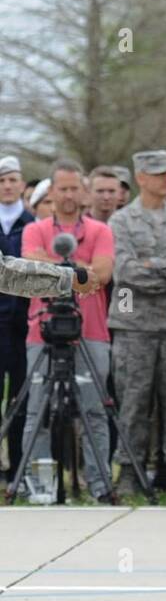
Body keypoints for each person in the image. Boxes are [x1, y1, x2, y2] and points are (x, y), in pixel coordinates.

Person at [22, 159, 115, 501]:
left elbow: (102, 274)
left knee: (94, 410)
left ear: (84, 191)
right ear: (52, 191)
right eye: (62, 189)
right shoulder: (35, 230)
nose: (69, 195)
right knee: (38, 411)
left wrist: (57, 268)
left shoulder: (101, 231)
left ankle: (100, 485)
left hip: (91, 331)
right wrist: (79, 270)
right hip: (43, 330)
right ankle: (39, 487)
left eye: (75, 188)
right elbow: (31, 267)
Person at [108, 150, 166, 498]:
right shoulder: (121, 222)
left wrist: (151, 267)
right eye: (158, 174)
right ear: (141, 177)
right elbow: (125, 271)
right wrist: (165, 270)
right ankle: (129, 470)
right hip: (134, 327)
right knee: (133, 403)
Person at [0, 157, 34, 483]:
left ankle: (19, 468)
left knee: (22, 397)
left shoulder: (33, 224)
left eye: (12, 179)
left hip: (26, 322)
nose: (7, 186)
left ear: (22, 184)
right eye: (1, 181)